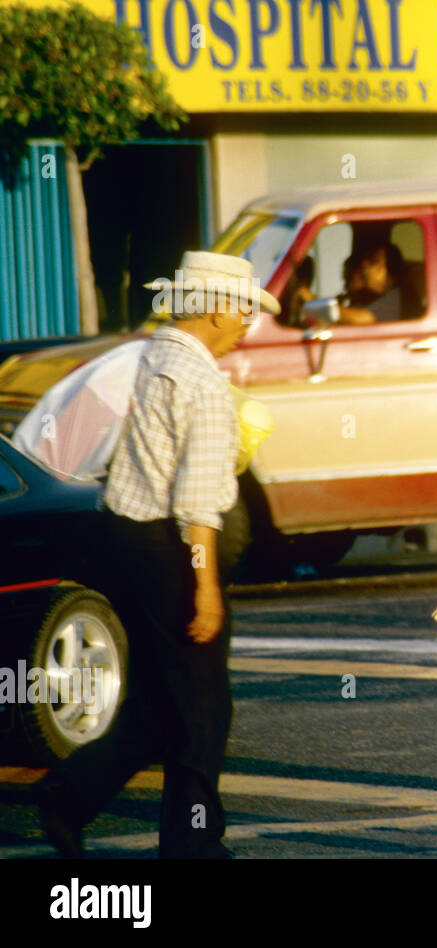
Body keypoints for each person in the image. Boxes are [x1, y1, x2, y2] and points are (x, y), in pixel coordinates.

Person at [34, 251, 278, 859]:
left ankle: (67, 795)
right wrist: (206, 586)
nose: (249, 321)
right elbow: (198, 504)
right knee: (202, 707)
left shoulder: (154, 356)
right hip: (169, 552)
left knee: (157, 704)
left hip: (121, 537)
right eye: (244, 308)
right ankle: (192, 844)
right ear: (218, 308)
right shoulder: (203, 386)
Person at [338, 243, 410, 325]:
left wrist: (327, 310)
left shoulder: (395, 297)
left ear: (387, 271)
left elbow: (361, 319)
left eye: (372, 261)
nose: (364, 265)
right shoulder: (371, 298)